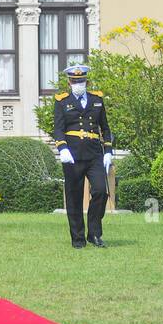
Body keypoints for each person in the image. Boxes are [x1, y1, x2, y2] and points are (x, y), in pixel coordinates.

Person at [52, 64, 113, 248]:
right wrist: (62, 148)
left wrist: (108, 151)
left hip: (94, 153)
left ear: (87, 81)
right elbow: (58, 128)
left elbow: (105, 128)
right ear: (69, 82)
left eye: (81, 81)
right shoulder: (62, 101)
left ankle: (94, 234)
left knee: (101, 191)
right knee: (74, 196)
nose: (78, 83)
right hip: (72, 155)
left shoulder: (97, 100)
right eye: (75, 81)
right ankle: (78, 238)